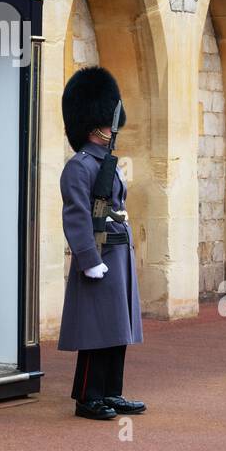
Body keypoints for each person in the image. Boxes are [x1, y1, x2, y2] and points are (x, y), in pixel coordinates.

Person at [58, 66, 146, 420]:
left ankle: (112, 391)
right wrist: (89, 258)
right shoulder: (79, 167)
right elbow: (77, 216)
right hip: (99, 254)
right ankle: (87, 396)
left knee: (116, 328)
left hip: (118, 252)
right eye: (110, 123)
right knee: (97, 329)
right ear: (94, 125)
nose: (114, 129)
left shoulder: (106, 163)